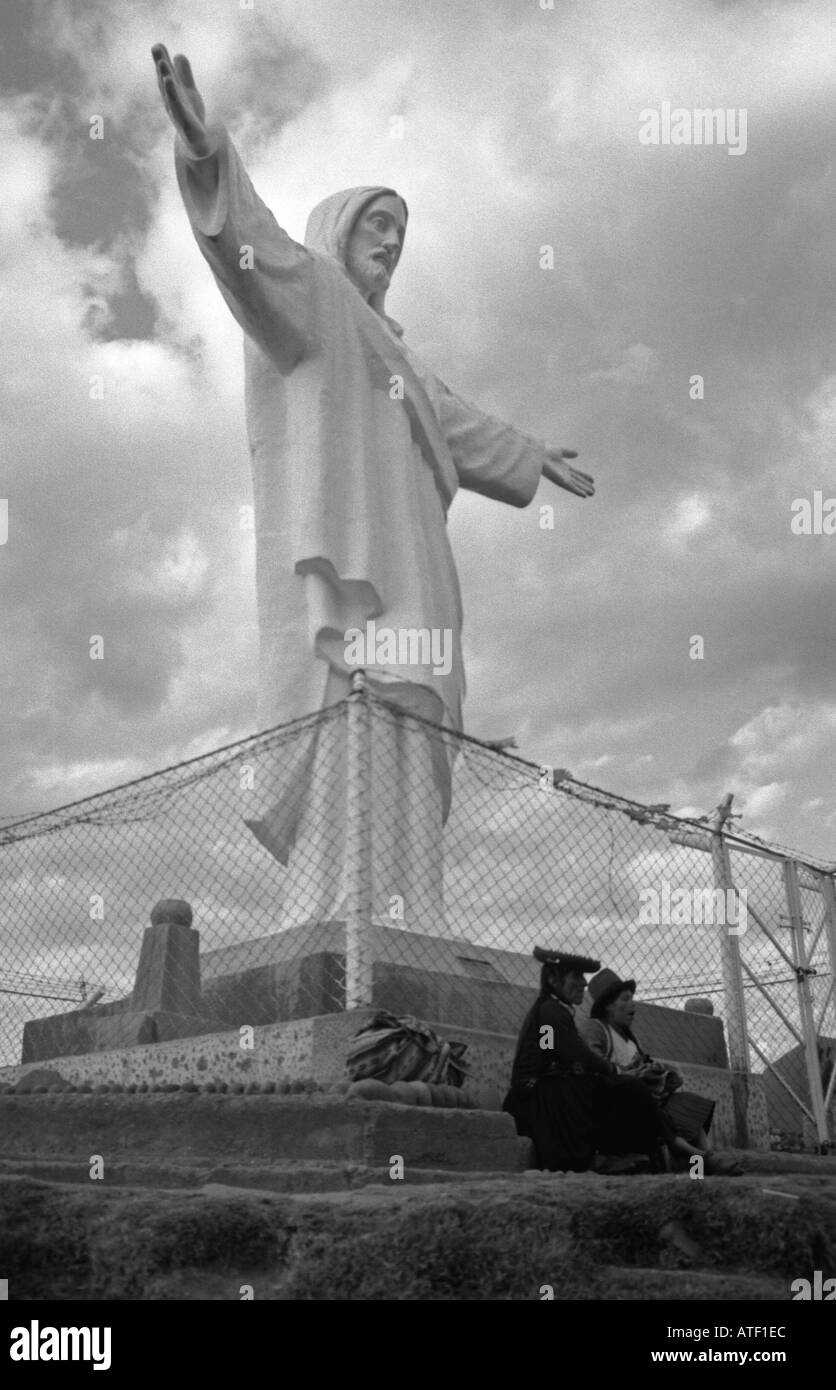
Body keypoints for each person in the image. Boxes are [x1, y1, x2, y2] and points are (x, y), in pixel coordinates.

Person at [151, 47, 595, 930]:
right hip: (352, 565)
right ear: (337, 233)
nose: (391, 241)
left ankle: (413, 910)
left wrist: (530, 452)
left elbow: (457, 421)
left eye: (400, 229)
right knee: (354, 704)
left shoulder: (400, 359)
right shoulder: (316, 302)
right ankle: (328, 907)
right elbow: (250, 252)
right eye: (376, 225)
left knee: (418, 704)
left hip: (416, 563)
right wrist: (208, 161)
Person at [502, 948, 674, 1173]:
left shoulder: (552, 1010)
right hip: (537, 1099)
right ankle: (609, 1155)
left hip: (546, 1092)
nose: (583, 983)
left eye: (583, 977)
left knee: (612, 1086)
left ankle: (634, 1151)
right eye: (576, 976)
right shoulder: (550, 1012)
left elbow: (563, 1053)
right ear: (554, 979)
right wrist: (617, 1071)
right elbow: (577, 1056)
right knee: (620, 1087)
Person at [582, 969, 743, 1176]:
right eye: (625, 999)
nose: (633, 1006)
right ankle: (698, 1157)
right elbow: (594, 1066)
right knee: (644, 1097)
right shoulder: (595, 1028)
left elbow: (644, 1064)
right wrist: (633, 1073)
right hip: (618, 1106)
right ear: (608, 1005)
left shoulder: (631, 1037)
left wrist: (660, 1075)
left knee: (689, 1103)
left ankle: (707, 1155)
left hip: (647, 1100)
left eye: (632, 999)